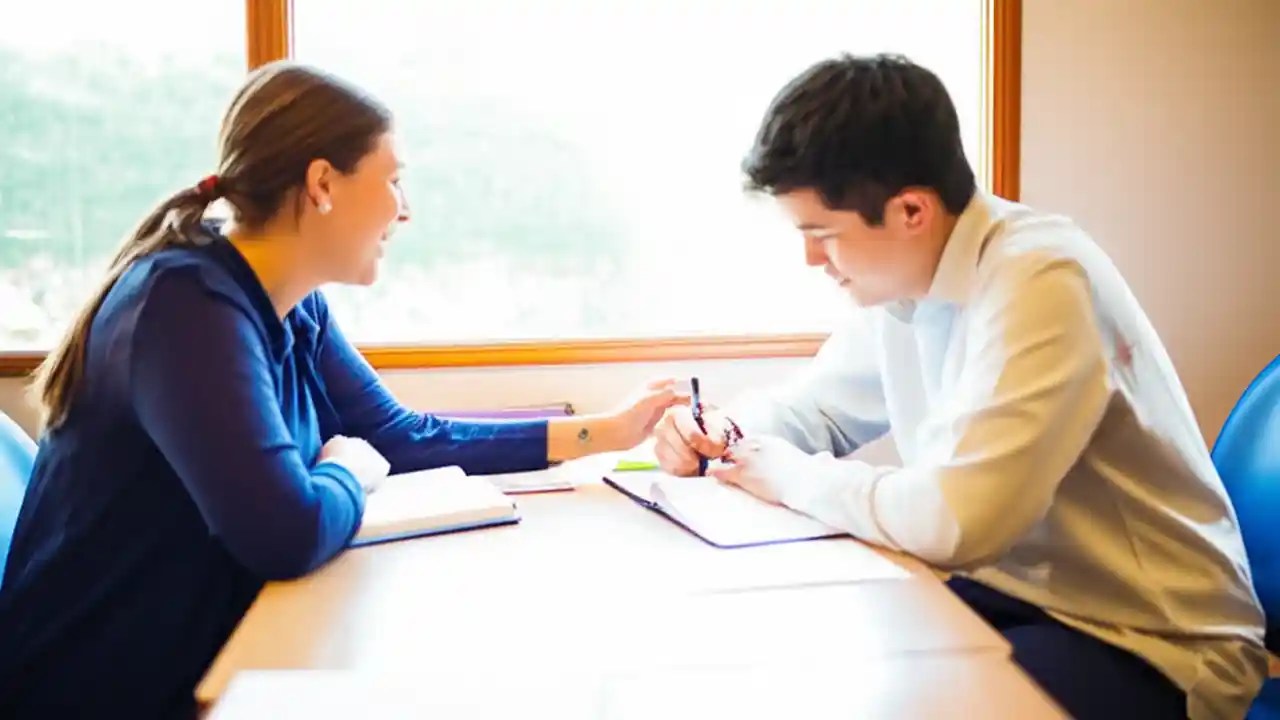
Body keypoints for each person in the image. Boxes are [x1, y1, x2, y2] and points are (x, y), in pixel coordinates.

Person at [0, 61, 682, 718]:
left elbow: (399, 437)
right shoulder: (184, 309)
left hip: (191, 656)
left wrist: (605, 432)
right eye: (394, 180)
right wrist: (348, 471)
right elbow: (286, 533)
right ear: (322, 183)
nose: (405, 210)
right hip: (104, 691)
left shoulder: (291, 302)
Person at [653, 53, 1266, 720]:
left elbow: (956, 522)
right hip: (1021, 597)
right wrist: (726, 433)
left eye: (822, 234)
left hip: (1152, 640)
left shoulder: (1040, 279)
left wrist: (788, 474)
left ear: (911, 209)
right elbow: (815, 411)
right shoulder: (906, 284)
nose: (811, 259)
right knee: (820, 669)